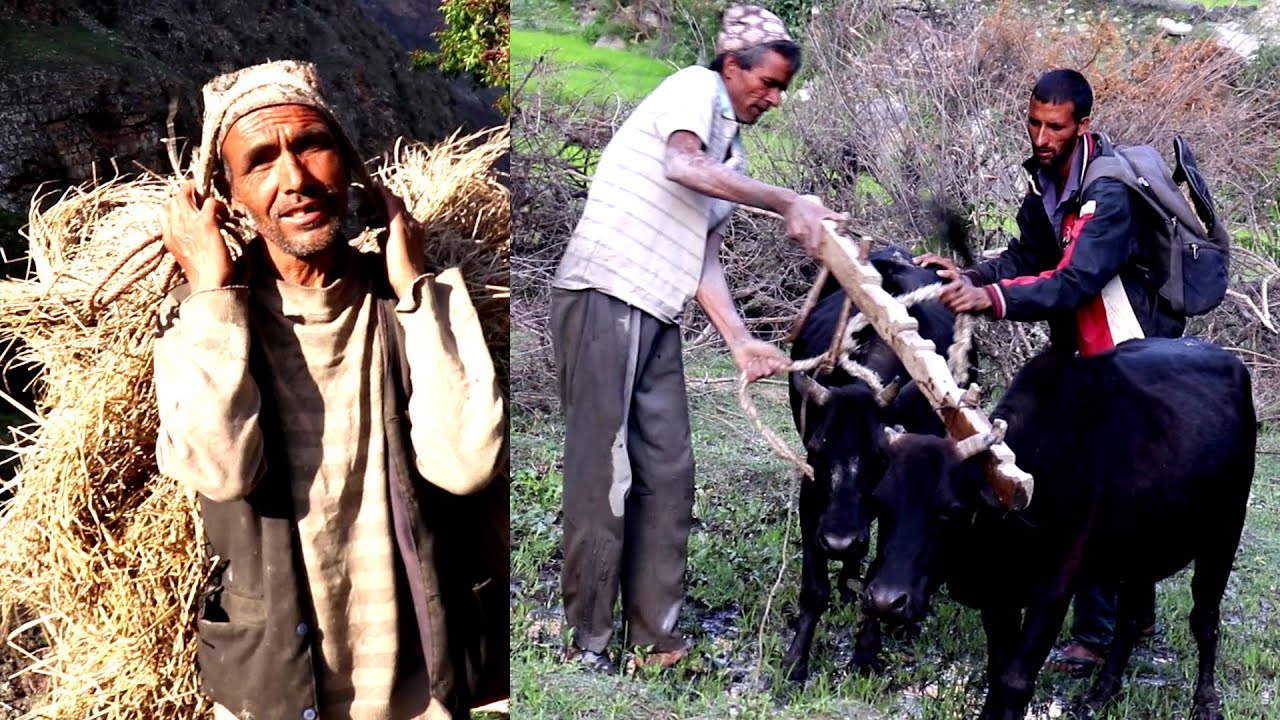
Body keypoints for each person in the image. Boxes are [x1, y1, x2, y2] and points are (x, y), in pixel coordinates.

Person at [153, 60, 507, 720]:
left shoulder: (405, 303)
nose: (294, 179)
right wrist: (211, 291)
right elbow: (222, 471)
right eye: (260, 161)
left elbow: (466, 465)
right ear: (228, 197)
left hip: (421, 693)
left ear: (347, 165)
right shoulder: (201, 323)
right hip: (274, 692)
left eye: (312, 146)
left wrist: (414, 287)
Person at [550, 4, 843, 674]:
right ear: (731, 66)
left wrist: (740, 341)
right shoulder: (693, 88)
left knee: (670, 475)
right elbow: (680, 165)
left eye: (782, 89)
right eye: (766, 82)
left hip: (657, 311)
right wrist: (785, 199)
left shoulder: (731, 151)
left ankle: (657, 643)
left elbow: (700, 257)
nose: (772, 98)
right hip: (604, 293)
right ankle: (589, 644)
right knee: (606, 477)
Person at [915, 68, 1168, 673]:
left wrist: (993, 300)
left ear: (1083, 124)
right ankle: (1135, 610)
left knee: (1097, 480)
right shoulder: (1048, 181)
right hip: (1083, 347)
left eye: (1055, 126)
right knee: (1099, 477)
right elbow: (1031, 255)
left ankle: (1096, 633)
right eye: (1034, 123)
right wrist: (972, 276)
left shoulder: (1107, 195)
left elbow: (1076, 280)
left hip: (1126, 348)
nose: (1041, 136)